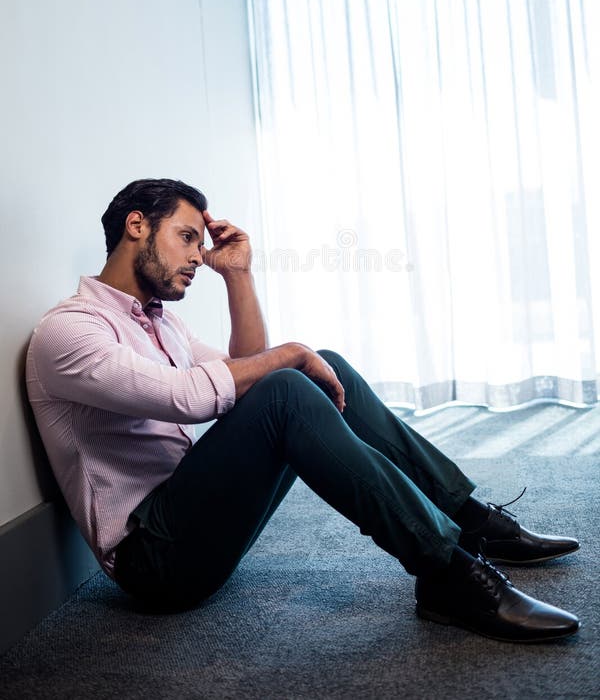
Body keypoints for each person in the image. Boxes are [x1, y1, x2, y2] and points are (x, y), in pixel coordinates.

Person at [26, 178, 581, 643]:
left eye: (200, 242)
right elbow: (192, 397)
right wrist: (290, 354)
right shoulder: (69, 332)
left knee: (320, 366)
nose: (199, 256)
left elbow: (242, 376)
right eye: (187, 237)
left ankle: (472, 522)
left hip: (194, 516)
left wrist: (238, 275)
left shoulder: (159, 321)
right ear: (137, 226)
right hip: (155, 562)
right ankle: (448, 575)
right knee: (291, 381)